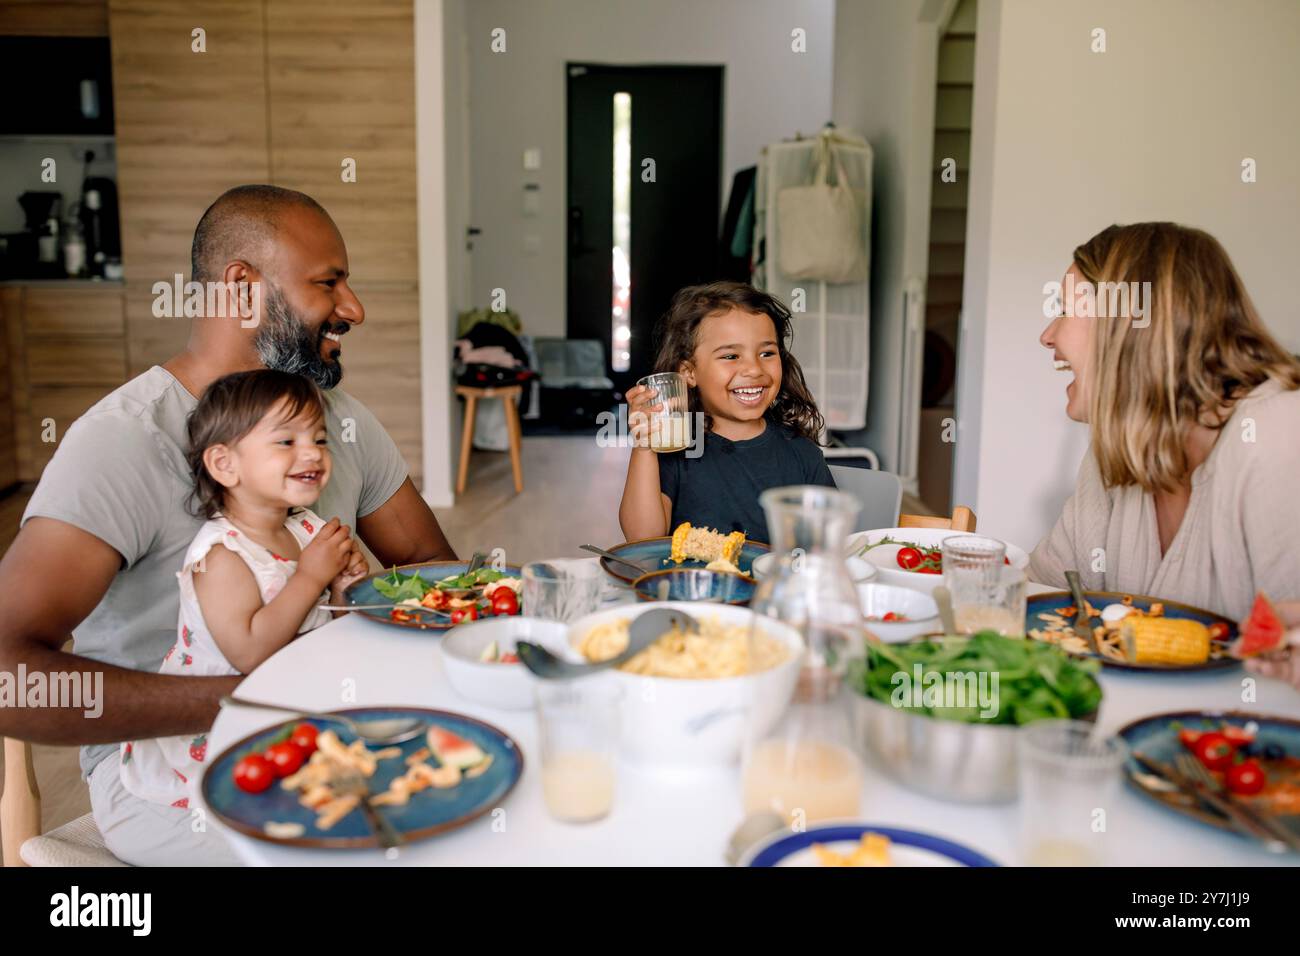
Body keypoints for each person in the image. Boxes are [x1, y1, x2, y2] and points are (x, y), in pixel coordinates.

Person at [0, 185, 456, 865]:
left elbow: (429, 564)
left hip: (320, 733)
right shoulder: (124, 442)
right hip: (170, 780)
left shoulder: (342, 423)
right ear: (242, 289)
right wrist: (253, 700)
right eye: (328, 283)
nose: (352, 308)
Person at [120, 369, 368, 809]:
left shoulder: (306, 529)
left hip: (290, 701)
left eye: (320, 439)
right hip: (222, 728)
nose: (312, 452)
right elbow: (250, 654)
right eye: (287, 441)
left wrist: (342, 591)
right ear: (224, 464)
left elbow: (330, 629)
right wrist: (311, 577)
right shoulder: (222, 557)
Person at [1029, 222, 1300, 623]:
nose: (1047, 336)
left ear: (1127, 325)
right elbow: (1042, 593)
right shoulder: (1119, 446)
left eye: (1066, 310)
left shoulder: (1278, 434)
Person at [618, 281, 835, 546]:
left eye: (767, 353)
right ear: (689, 372)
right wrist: (644, 447)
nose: (754, 369)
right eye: (731, 356)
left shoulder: (802, 453)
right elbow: (642, 539)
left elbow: (827, 545)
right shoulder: (674, 450)